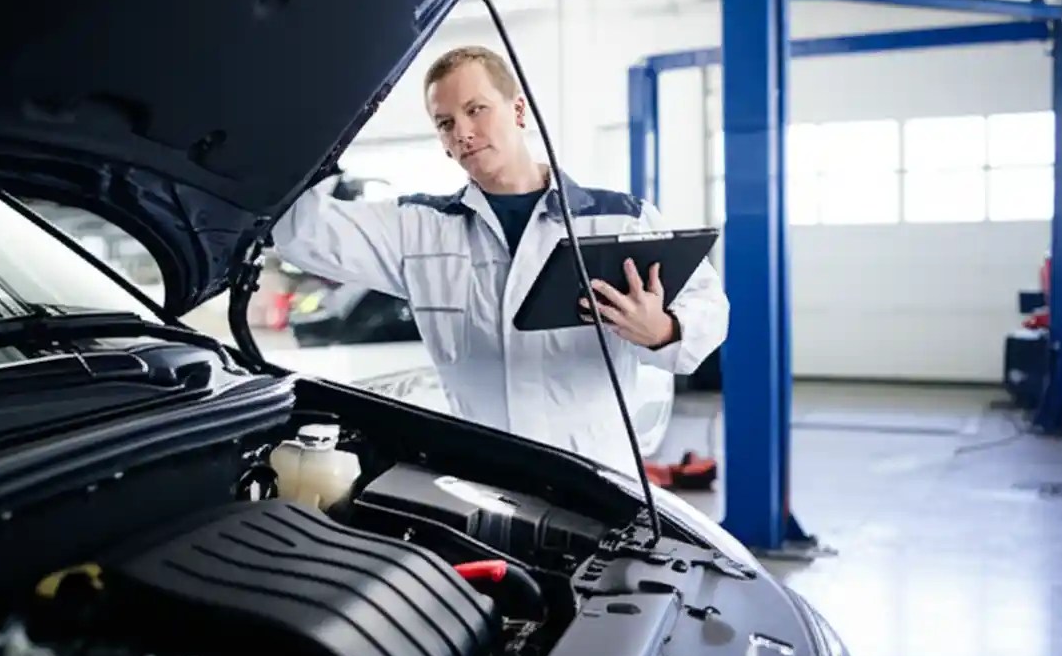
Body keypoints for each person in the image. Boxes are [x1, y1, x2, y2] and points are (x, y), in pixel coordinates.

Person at [270, 45, 729, 476]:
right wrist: (323, 122)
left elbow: (709, 307)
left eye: (476, 110)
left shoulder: (618, 219)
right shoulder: (418, 228)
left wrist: (664, 330)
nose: (463, 132)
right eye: (445, 123)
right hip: (484, 480)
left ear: (518, 110)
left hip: (598, 481)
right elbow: (299, 230)